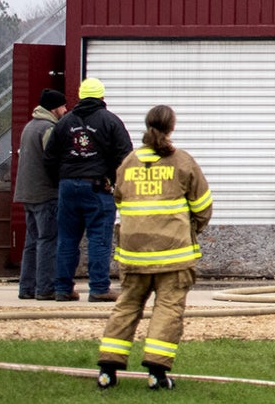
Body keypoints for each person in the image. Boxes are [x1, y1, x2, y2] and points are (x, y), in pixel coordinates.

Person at [95, 104, 211, 391]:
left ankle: (107, 370)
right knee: (168, 309)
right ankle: (157, 373)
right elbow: (203, 207)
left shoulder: (128, 162)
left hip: (134, 254)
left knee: (127, 306)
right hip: (173, 254)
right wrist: (189, 227)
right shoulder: (182, 161)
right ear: (171, 127)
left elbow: (120, 201)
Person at [44, 78, 131, 303]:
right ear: (102, 97)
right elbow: (125, 157)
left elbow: (50, 158)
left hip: (67, 187)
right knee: (98, 239)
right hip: (97, 188)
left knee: (67, 239)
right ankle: (100, 288)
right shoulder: (111, 121)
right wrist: (112, 181)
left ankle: (63, 288)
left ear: (80, 96)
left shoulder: (64, 123)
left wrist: (62, 180)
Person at [14, 88, 66, 300]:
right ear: (54, 109)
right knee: (47, 240)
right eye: (63, 106)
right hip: (45, 193)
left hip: (27, 192)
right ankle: (45, 288)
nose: (66, 109)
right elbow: (52, 160)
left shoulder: (30, 126)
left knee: (32, 242)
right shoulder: (48, 129)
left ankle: (26, 287)